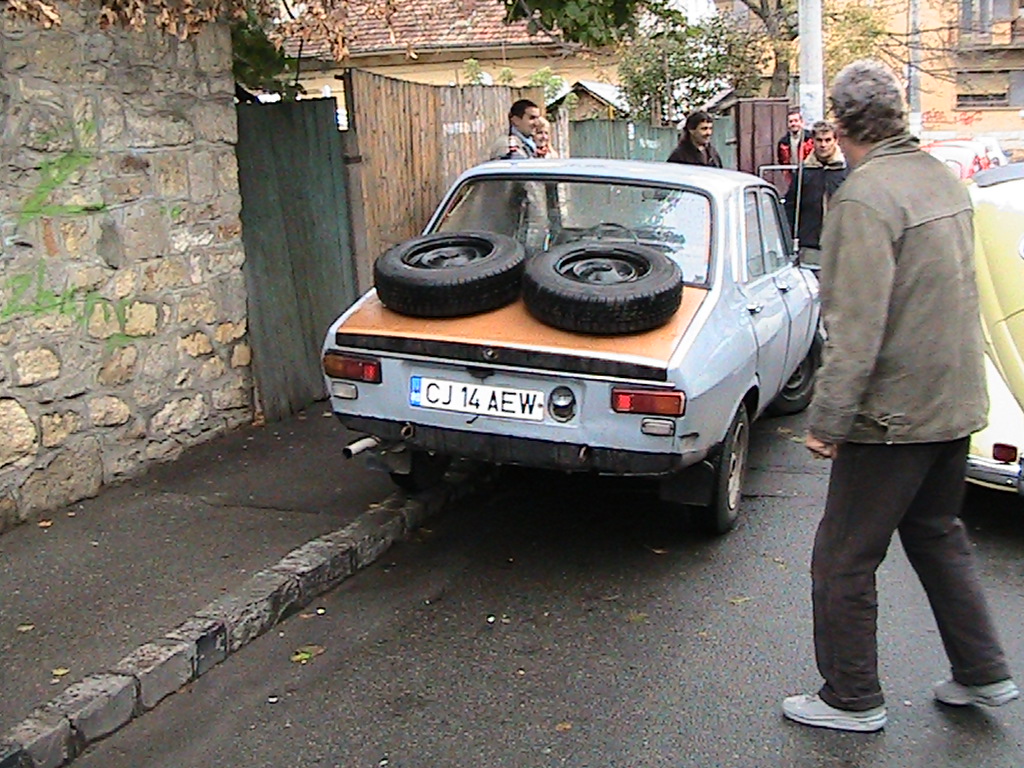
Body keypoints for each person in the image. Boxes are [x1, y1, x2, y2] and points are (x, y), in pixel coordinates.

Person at [781, 59, 1019, 734]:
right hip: (953, 402)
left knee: (842, 558)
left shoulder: (864, 197)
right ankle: (984, 672)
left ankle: (851, 696)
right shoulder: (941, 178)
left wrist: (828, 420)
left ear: (840, 122)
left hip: (893, 416)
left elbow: (856, 326)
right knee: (937, 534)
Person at [783, 120, 849, 268]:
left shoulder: (847, 170)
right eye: (819, 140)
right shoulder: (804, 171)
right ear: (812, 141)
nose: (823, 145)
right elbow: (791, 206)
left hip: (842, 244)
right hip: (810, 245)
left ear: (835, 140)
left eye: (828, 140)